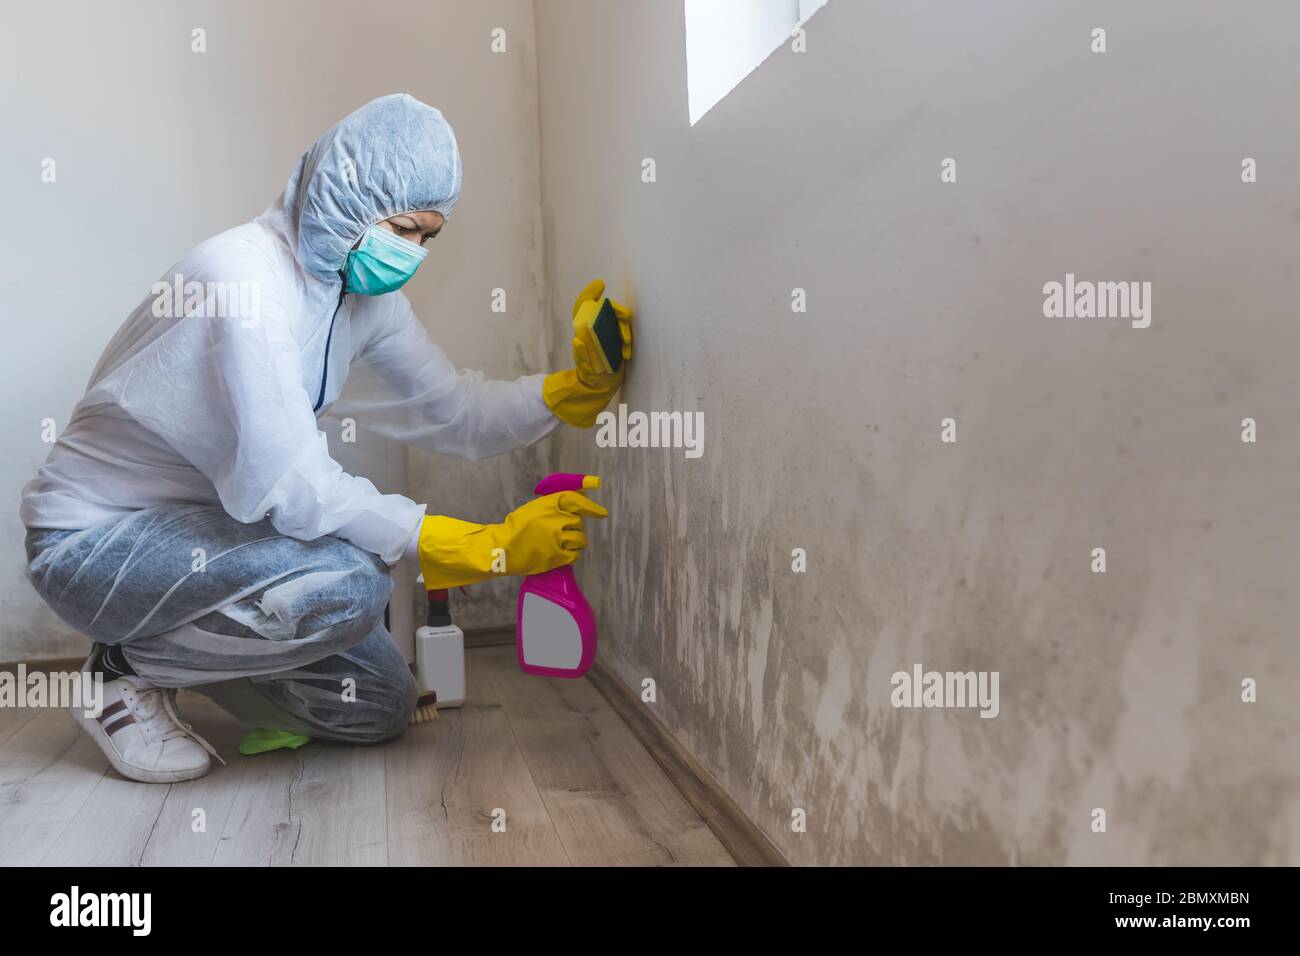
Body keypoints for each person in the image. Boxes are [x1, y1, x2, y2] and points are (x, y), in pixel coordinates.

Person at [20, 94, 632, 783]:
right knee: (350, 582)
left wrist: (571, 390)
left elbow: (453, 410)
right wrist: (472, 545)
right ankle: (119, 671)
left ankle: (186, 656)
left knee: (378, 703)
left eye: (428, 237)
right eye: (404, 228)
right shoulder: (241, 279)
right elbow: (291, 482)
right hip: (96, 543)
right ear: (347, 194)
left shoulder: (361, 301)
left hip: (208, 546)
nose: (414, 253)